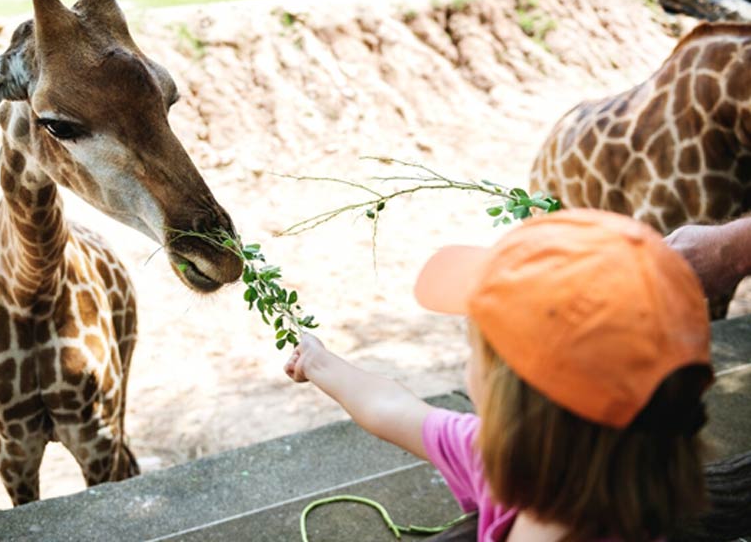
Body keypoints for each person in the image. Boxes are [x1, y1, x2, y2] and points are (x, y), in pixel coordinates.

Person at [284, 209, 713, 542]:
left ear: (513, 397)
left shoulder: (496, 464)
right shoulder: (525, 459)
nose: (467, 364)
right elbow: (390, 407)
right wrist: (318, 363)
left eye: (475, 352)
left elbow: (392, 408)